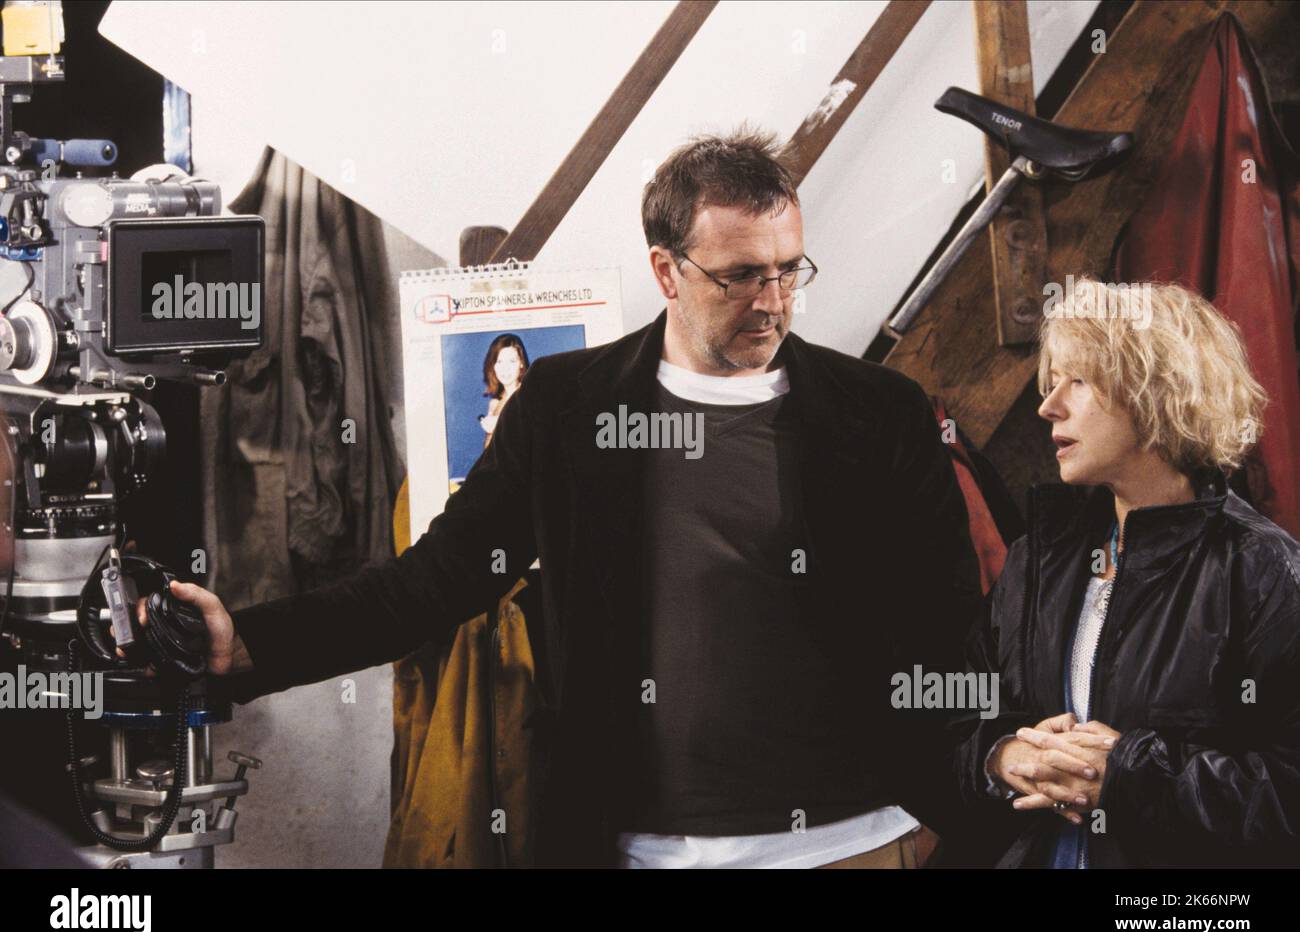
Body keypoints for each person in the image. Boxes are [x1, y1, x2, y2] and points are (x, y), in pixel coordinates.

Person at [159, 128, 983, 868]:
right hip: (647, 848)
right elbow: (432, 584)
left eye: (785, 270)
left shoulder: (879, 414)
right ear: (665, 268)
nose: (771, 303)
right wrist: (251, 646)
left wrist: (971, 774)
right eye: (738, 277)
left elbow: (951, 628)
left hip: (858, 844)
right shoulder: (567, 410)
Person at [952, 277, 1300, 867]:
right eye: (1052, 379)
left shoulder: (1264, 569)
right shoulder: (1039, 557)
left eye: (1079, 380)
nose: (1048, 405)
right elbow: (958, 713)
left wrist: (1131, 774)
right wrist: (1003, 756)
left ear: (1157, 392)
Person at [479, 334, 528, 448]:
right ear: (493, 365)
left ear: (521, 363)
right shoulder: (494, 403)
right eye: (499, 361)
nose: (505, 368)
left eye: (511, 361)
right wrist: (491, 433)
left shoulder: (529, 395)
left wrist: (502, 425)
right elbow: (488, 452)